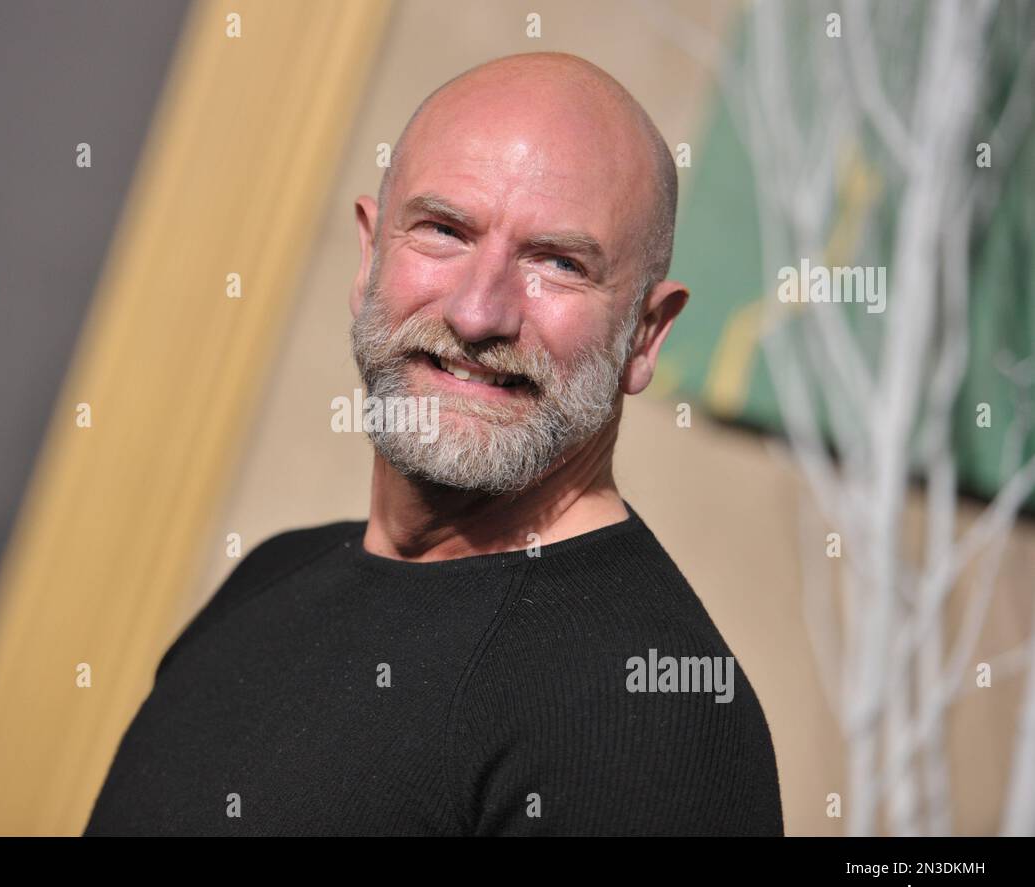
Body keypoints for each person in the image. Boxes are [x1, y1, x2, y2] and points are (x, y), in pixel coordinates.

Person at [85, 51, 784, 836]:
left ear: (646, 337)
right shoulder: (273, 575)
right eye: (444, 231)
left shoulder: (650, 713)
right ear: (369, 256)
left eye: (558, 263)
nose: (479, 314)